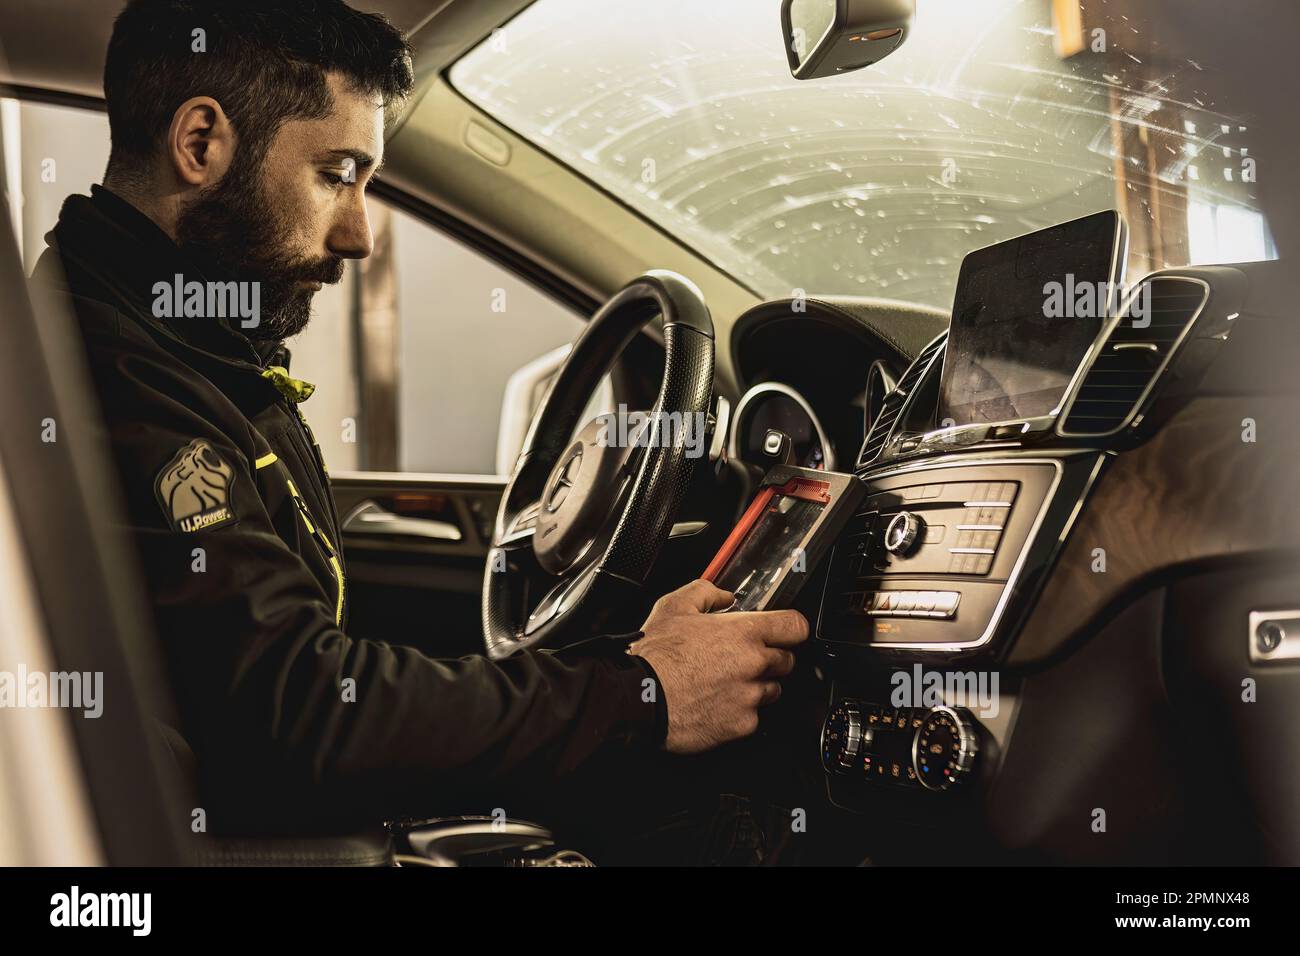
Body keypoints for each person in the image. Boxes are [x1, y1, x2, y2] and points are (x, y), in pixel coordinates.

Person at [30, 0, 808, 840]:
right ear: (201, 144)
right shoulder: (104, 371)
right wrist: (642, 699)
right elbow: (296, 709)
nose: (360, 234)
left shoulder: (189, 340)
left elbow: (289, 664)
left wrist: (633, 669)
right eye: (337, 174)